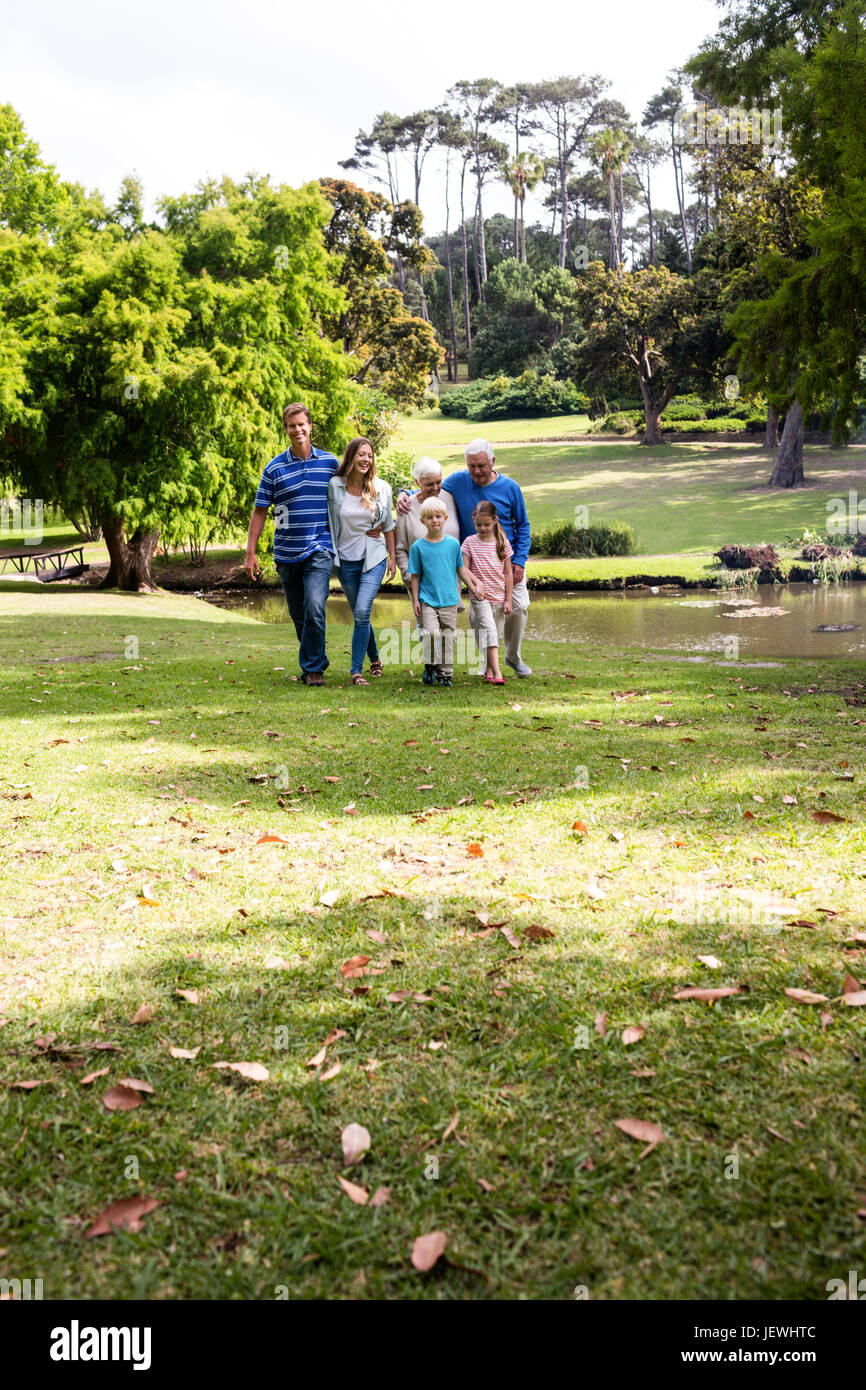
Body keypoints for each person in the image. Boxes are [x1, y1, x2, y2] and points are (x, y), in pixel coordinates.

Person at [245, 404, 380, 687]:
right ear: (286, 430)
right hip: (285, 552)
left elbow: (361, 479)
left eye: (301, 424)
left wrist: (405, 494)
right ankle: (316, 658)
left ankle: (313, 669)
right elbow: (259, 511)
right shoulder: (274, 469)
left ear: (309, 427)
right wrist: (250, 552)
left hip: (319, 547)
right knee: (299, 614)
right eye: (291, 425)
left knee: (315, 606)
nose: (297, 430)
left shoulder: (330, 464)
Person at [396, 438, 532, 676]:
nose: (477, 471)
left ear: (492, 461)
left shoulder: (510, 487)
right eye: (472, 466)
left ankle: (512, 656)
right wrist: (404, 493)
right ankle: (485, 663)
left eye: (481, 465)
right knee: (481, 615)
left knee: (518, 608)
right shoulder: (457, 482)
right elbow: (427, 488)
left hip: (507, 560)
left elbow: (524, 526)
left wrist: (520, 560)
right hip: (474, 562)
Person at [327, 437, 396, 686]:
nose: (366, 459)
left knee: (361, 611)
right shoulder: (335, 486)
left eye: (369, 455)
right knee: (361, 616)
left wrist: (392, 558)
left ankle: (356, 672)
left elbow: (388, 525)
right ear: (351, 457)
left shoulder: (382, 488)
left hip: (373, 557)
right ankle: (376, 660)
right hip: (345, 560)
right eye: (361, 454)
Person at [407, 496, 484, 688]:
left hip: (449, 600)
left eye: (438, 516)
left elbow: (460, 569)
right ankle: (430, 664)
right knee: (431, 633)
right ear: (422, 521)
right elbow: (415, 576)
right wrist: (416, 600)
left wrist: (473, 587)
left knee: (448, 637)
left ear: (446, 518)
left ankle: (445, 673)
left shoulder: (453, 545)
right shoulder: (418, 547)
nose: (435, 520)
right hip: (428, 600)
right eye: (430, 517)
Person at [461, 500, 513, 685]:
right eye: (478, 524)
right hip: (479, 598)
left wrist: (508, 600)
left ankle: (489, 669)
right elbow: (464, 569)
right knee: (488, 633)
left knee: (493, 635)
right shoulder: (469, 543)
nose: (482, 528)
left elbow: (508, 573)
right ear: (473, 521)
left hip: (498, 597)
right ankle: (498, 673)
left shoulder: (502, 543)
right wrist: (474, 587)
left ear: (495, 521)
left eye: (487, 524)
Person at [394, 457, 461, 594]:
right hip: (421, 585)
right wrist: (410, 578)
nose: (436, 488)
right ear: (417, 482)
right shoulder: (406, 507)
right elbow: (400, 549)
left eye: (438, 482)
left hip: (450, 585)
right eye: (429, 484)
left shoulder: (451, 498)